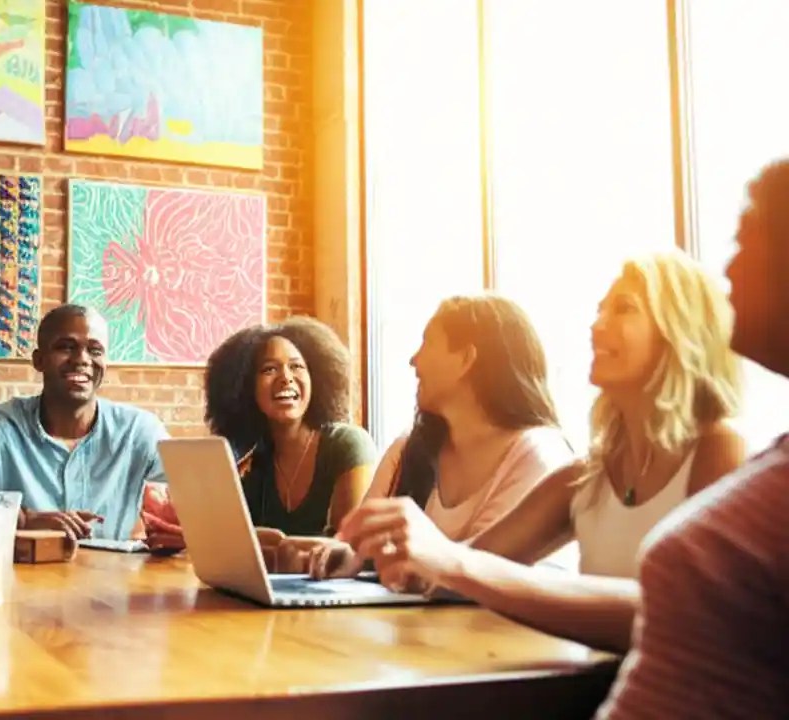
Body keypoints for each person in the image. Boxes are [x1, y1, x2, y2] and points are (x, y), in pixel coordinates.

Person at [319, 251, 744, 653]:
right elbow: (473, 565)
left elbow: (683, 611)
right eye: (601, 309)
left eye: (625, 308)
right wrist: (393, 556)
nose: (597, 325)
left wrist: (446, 560)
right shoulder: (587, 476)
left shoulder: (719, 448)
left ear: (680, 329)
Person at [596, 161, 789, 718]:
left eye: (746, 237)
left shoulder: (722, 450)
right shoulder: (598, 464)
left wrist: (458, 566)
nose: (728, 267)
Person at [319, 296, 574, 561]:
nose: (413, 360)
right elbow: (358, 543)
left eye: (427, 343)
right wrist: (343, 554)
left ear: (465, 359)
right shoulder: (409, 448)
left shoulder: (538, 454)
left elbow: (483, 569)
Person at [0, 304, 170, 541]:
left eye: (95, 350)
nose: (82, 359)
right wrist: (22, 521)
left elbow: (187, 508)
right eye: (66, 347)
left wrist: (177, 533)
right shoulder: (0, 426)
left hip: (110, 573)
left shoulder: (139, 431)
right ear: (39, 360)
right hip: (23, 572)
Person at [144, 317, 378, 562]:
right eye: (269, 369)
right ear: (246, 387)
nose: (286, 377)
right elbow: (237, 553)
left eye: (297, 366)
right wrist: (189, 536)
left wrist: (222, 540)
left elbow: (344, 549)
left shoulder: (348, 445)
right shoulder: (252, 463)